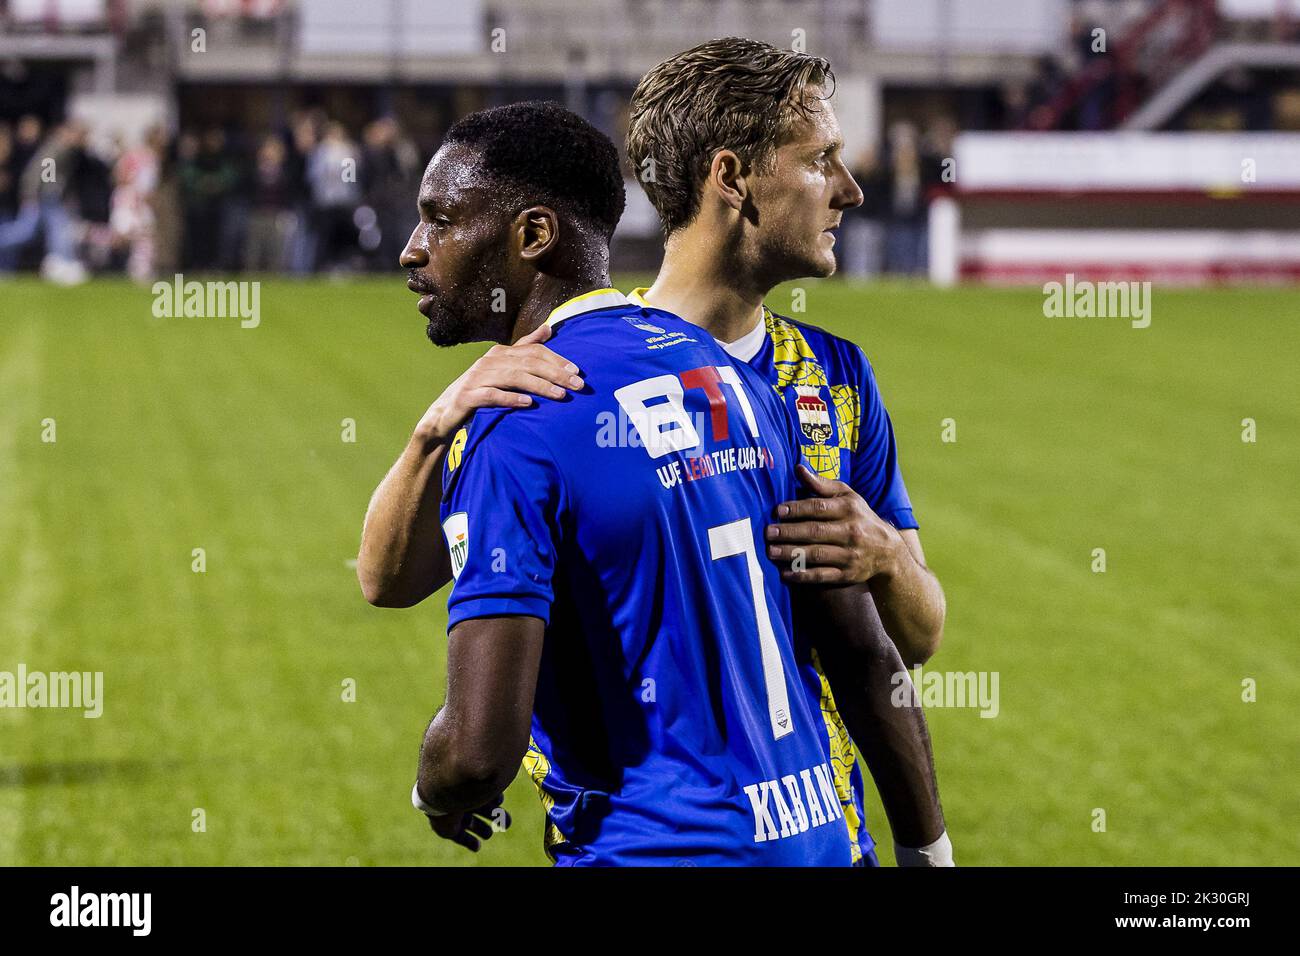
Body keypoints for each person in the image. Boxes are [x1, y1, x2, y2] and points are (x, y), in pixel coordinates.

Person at [385, 101, 948, 864]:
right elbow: (863, 650)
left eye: (441, 220)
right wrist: (927, 850)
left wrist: (435, 785)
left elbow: (478, 753)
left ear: (532, 236)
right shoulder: (742, 381)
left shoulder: (519, 421)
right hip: (819, 840)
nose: (413, 251)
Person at [623, 37, 950, 857]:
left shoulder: (836, 375)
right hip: (664, 845)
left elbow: (917, 635)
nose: (851, 189)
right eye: (821, 161)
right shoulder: (586, 376)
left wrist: (886, 557)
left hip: (825, 837)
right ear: (731, 178)